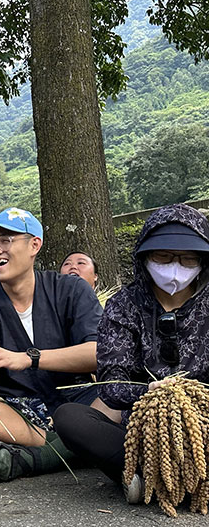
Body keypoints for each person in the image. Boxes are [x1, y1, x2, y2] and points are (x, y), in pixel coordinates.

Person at [53, 203, 209, 503]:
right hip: (141, 430)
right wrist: (150, 393)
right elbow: (112, 383)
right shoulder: (123, 306)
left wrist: (191, 400)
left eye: (188, 259)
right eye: (163, 257)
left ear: (202, 261)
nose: (175, 268)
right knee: (70, 419)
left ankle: (154, 483)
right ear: (145, 257)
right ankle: (152, 473)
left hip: (204, 422)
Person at [0, 207, 114, 483]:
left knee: (124, 394)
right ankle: (76, 445)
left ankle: (37, 457)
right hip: (17, 412)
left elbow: (100, 352)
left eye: (6, 241)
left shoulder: (72, 290)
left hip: (79, 403)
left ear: (34, 245)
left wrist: (29, 357)